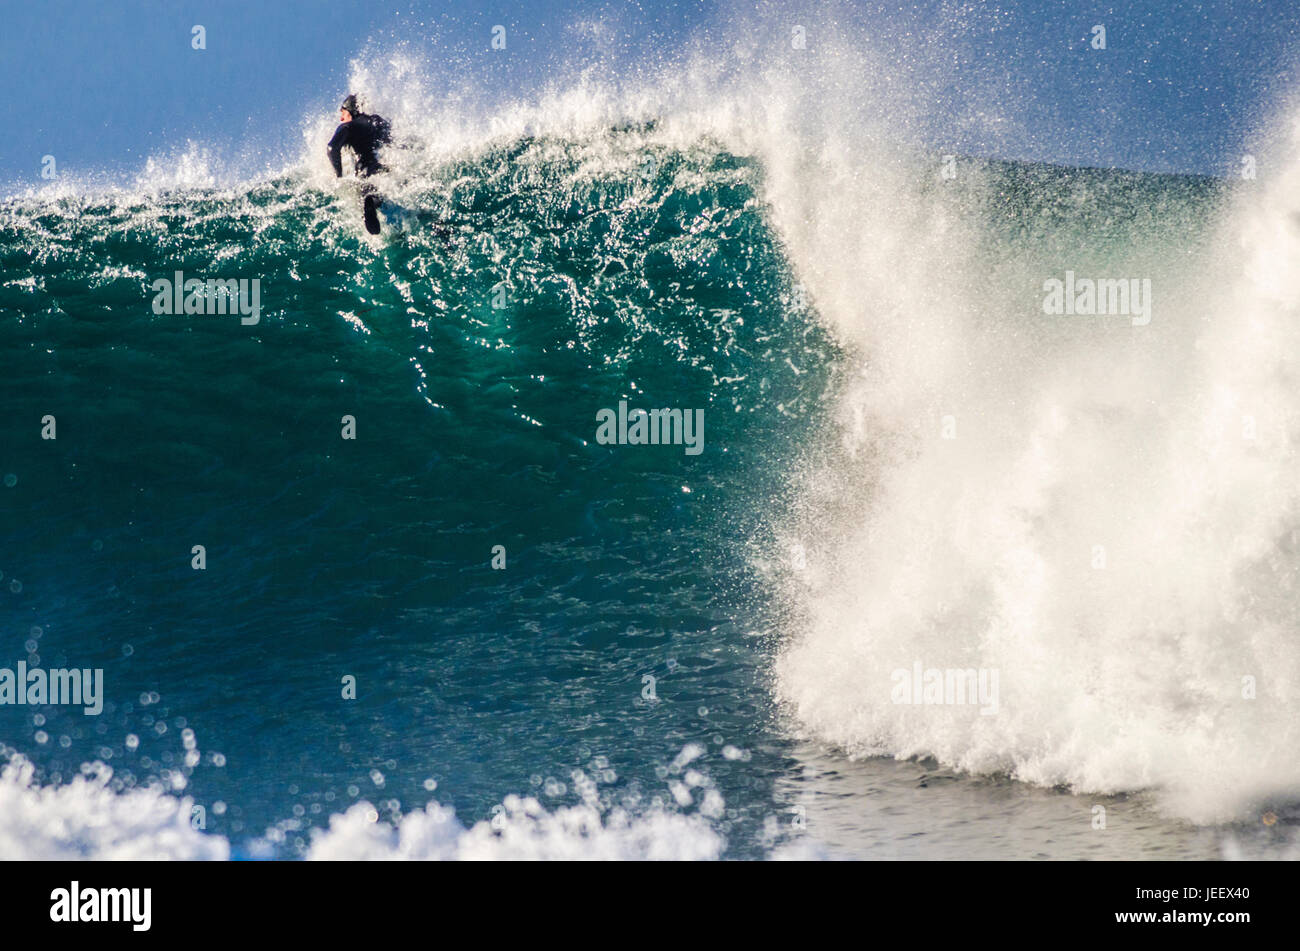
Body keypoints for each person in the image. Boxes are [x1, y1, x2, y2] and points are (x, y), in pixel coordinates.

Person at [327, 94, 392, 233]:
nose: (341, 118)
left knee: (366, 192)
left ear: (350, 111)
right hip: (384, 169)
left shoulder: (348, 127)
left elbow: (331, 149)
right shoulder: (378, 122)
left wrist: (338, 175)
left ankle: (370, 201)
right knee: (381, 191)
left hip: (366, 172)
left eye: (343, 113)